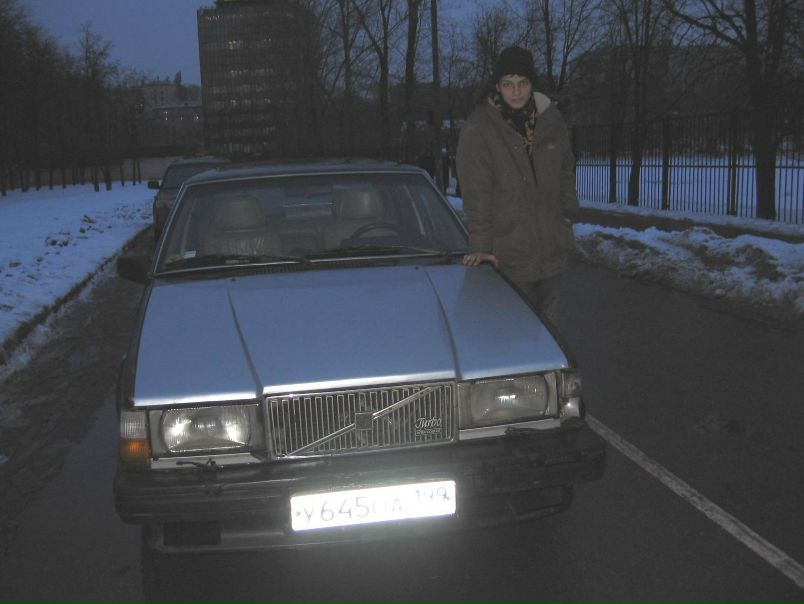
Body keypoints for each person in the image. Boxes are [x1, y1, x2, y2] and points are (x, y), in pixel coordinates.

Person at [456, 46, 578, 325]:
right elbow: (476, 193)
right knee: (516, 333)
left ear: (532, 84)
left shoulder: (551, 120)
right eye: (508, 84)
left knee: (550, 334)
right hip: (509, 255)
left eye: (522, 83)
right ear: (497, 86)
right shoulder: (479, 128)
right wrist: (480, 246)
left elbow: (565, 169)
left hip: (551, 249)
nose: (516, 91)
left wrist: (568, 212)